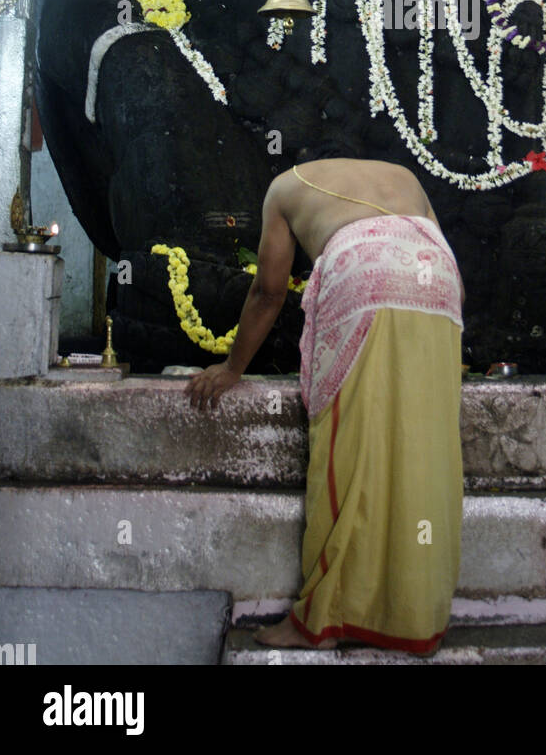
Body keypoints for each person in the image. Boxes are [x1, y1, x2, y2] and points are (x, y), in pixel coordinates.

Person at [186, 147, 465, 655]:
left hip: (363, 270)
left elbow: (269, 293)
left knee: (350, 447)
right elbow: (447, 264)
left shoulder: (285, 187)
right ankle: (415, 612)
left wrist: (231, 369)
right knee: (423, 445)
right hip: (439, 278)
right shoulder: (401, 174)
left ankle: (323, 615)